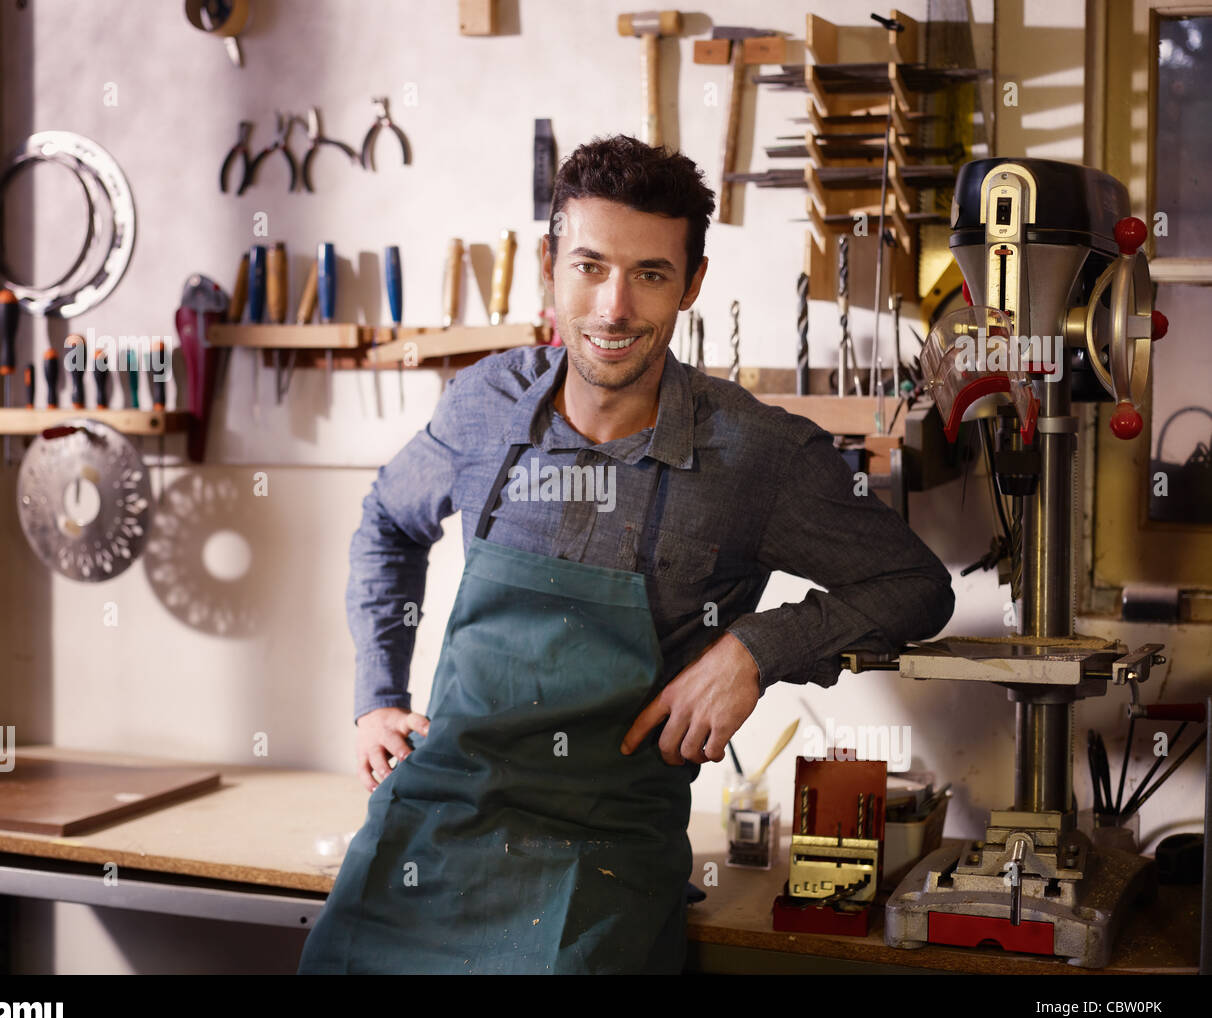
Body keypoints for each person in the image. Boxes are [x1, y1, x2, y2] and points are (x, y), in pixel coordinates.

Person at [298, 134, 954, 975]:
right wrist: (373, 697)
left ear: (692, 284)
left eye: (649, 274)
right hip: (430, 828)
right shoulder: (485, 405)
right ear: (550, 264)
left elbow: (916, 586)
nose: (613, 307)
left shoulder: (758, 454)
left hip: (596, 864)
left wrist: (758, 648)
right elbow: (388, 521)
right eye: (589, 265)